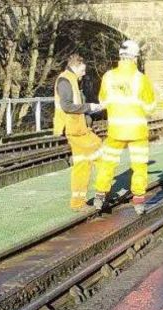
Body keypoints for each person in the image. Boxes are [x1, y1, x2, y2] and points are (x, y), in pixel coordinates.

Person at [94, 39, 157, 215]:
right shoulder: (141, 79)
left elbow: (102, 101)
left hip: (115, 130)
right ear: (135, 58)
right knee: (139, 165)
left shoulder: (108, 77)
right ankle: (138, 200)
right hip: (137, 131)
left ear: (120, 56)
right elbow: (150, 107)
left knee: (108, 162)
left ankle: (100, 194)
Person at [54, 53, 104, 211]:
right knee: (101, 155)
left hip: (78, 128)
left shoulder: (71, 79)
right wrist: (89, 107)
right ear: (75, 66)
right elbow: (67, 106)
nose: (84, 73)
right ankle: (101, 191)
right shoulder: (65, 80)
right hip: (75, 129)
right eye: (83, 70)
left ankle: (79, 201)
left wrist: (90, 112)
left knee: (83, 164)